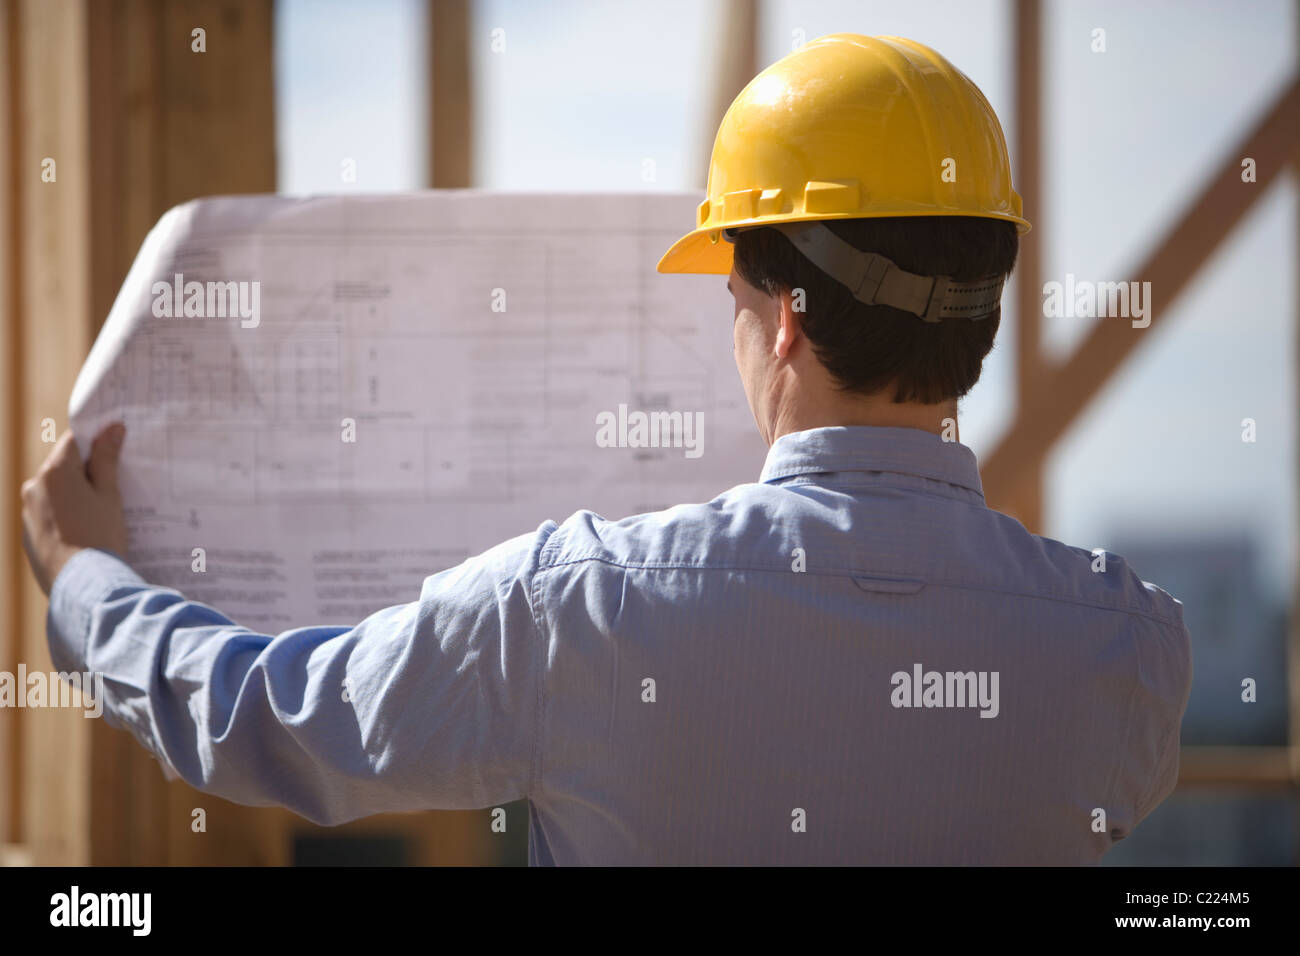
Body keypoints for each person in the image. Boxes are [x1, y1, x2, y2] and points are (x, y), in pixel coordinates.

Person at [21, 34, 1190, 864]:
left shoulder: (575, 609)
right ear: (984, 312)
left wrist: (87, 586)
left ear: (781, 315)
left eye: (729, 288)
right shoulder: (1128, 649)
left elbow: (269, 717)